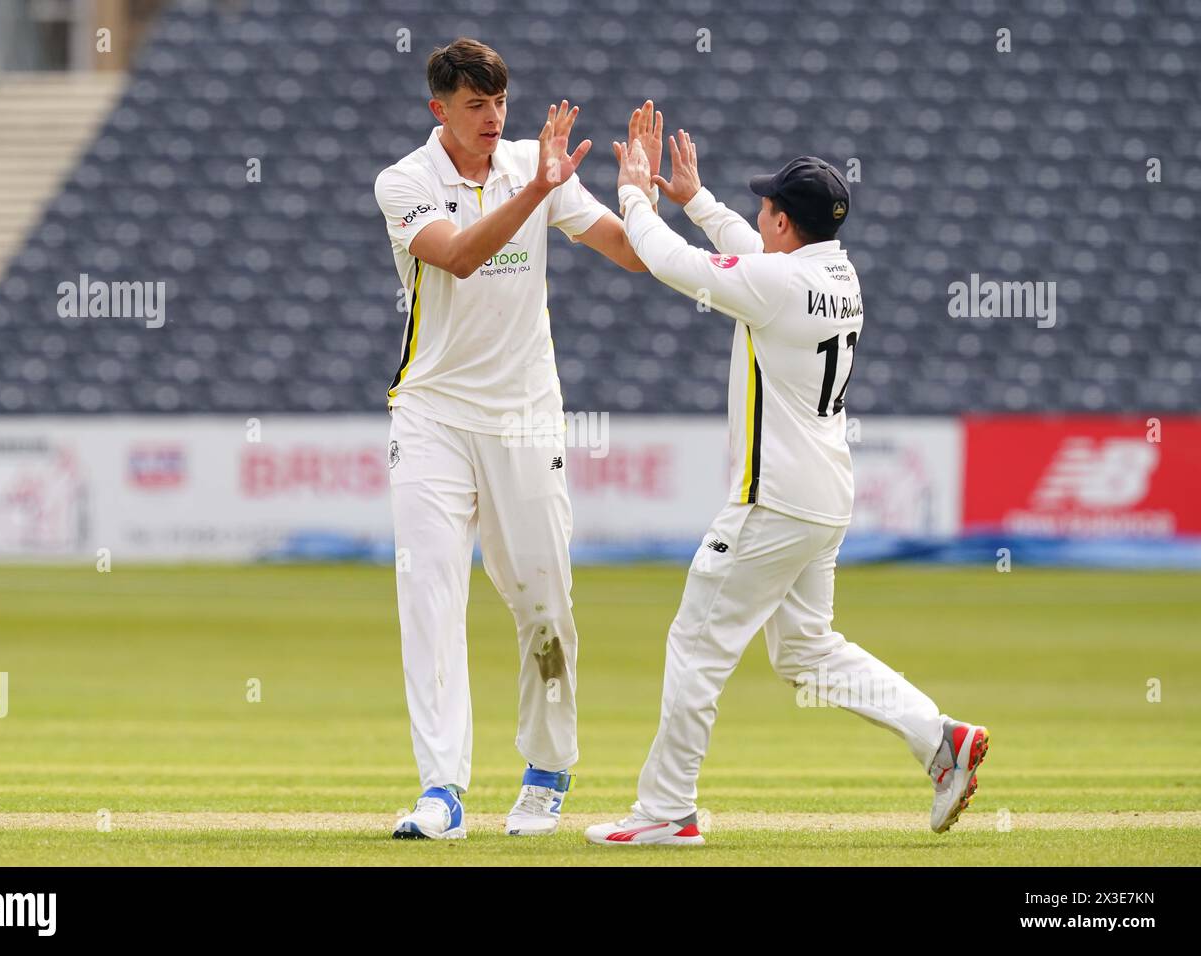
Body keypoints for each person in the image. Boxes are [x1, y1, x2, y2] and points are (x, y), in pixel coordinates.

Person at [584, 134, 989, 846]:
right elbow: (751, 261)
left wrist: (635, 191)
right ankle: (940, 740)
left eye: (766, 203)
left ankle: (666, 811)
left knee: (696, 648)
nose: (760, 210)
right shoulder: (836, 275)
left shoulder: (777, 285)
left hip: (770, 502)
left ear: (782, 222)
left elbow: (672, 262)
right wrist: (699, 201)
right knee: (805, 652)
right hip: (823, 499)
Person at [372, 37, 666, 839]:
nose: (493, 119)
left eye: (500, 103)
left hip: (526, 416)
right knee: (428, 597)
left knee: (544, 602)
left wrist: (643, 196)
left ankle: (546, 769)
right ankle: (441, 790)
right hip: (431, 416)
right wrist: (539, 185)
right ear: (440, 109)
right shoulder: (405, 181)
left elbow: (629, 256)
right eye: (475, 105)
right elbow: (461, 258)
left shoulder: (534, 171)